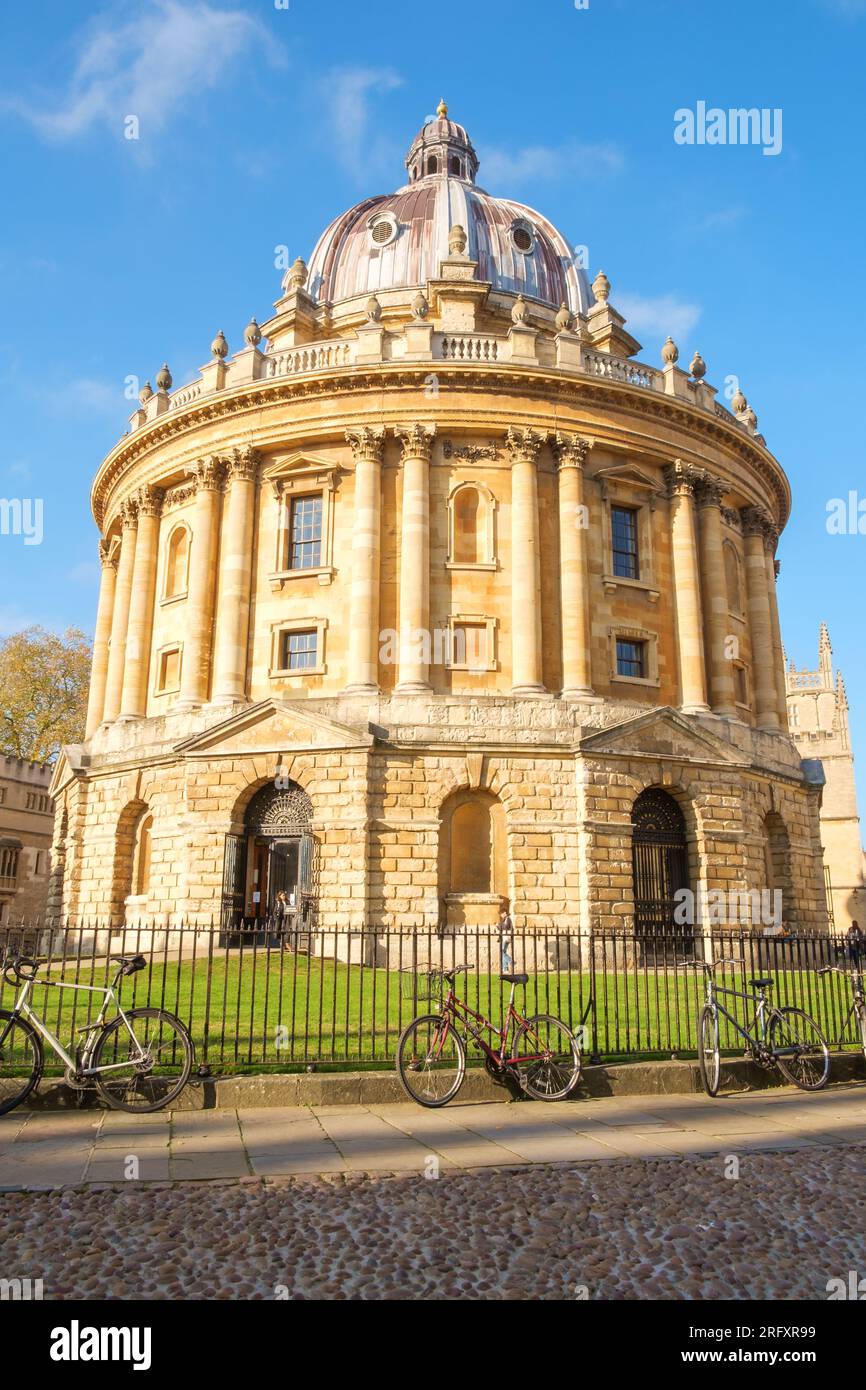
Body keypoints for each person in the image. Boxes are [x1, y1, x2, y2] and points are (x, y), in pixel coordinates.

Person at [498, 898, 514, 974]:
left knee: (502, 952)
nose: (501, 915)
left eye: (501, 914)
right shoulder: (505, 919)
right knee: (503, 952)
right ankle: (505, 969)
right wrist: (498, 926)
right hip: (504, 937)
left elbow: (506, 927)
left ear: (504, 913)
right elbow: (502, 928)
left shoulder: (507, 918)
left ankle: (511, 961)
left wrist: (499, 925)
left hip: (506, 938)